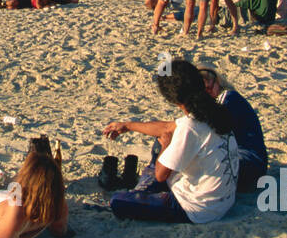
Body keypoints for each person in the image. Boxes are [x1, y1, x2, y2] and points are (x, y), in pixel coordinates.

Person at [101, 60, 239, 223]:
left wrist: (166, 146)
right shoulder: (215, 111)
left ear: (173, 100)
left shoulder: (190, 127)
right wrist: (128, 126)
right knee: (165, 137)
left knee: (118, 201)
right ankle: (146, 186)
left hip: (197, 209)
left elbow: (161, 175)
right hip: (223, 201)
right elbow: (167, 127)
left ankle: (144, 187)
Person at [196, 66, 268, 193]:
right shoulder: (223, 100)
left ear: (217, 81)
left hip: (249, 161)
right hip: (248, 163)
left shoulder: (228, 97)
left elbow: (206, 127)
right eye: (203, 90)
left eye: (209, 87)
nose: (208, 92)